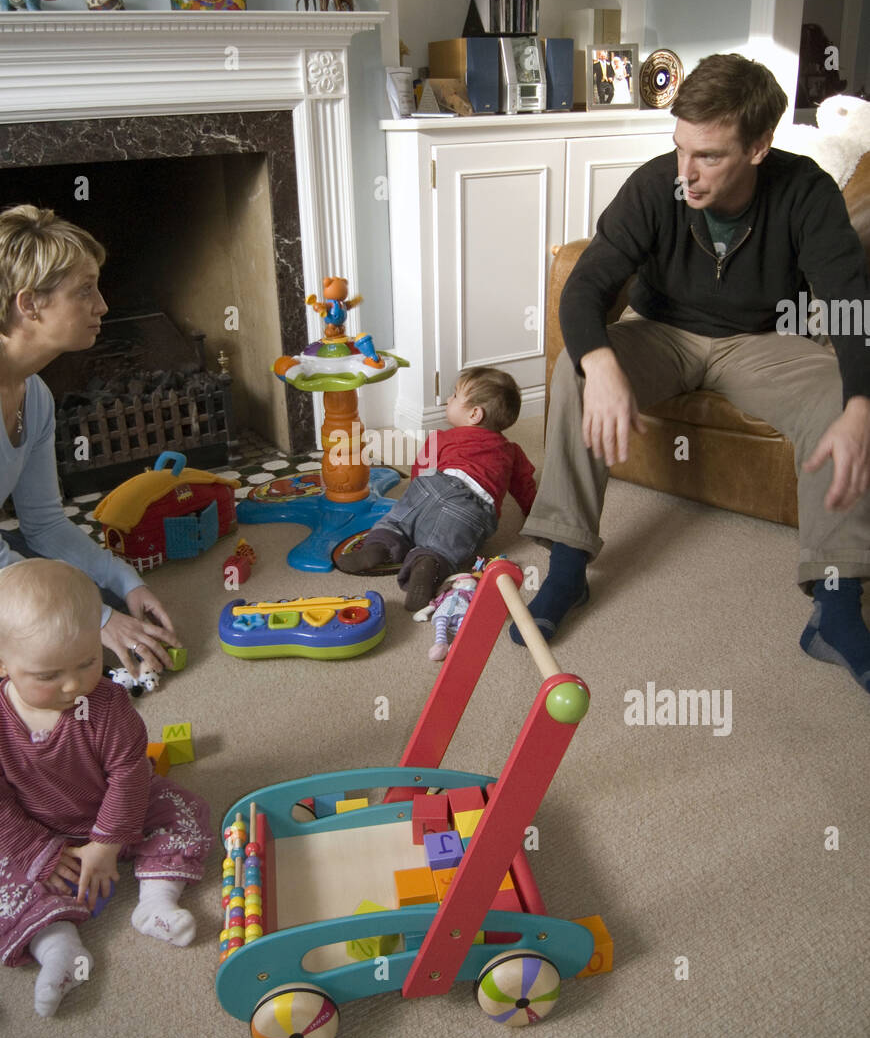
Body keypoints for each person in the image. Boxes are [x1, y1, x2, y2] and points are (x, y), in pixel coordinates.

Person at [515, 53, 870, 695]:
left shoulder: (807, 191)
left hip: (759, 340)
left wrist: (861, 406)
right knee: (574, 369)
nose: (687, 172)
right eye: (680, 148)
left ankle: (837, 607)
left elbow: (849, 301)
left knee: (836, 395)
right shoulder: (658, 186)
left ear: (759, 146)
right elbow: (588, 286)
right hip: (664, 334)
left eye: (708, 155)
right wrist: (602, 363)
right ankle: (568, 567)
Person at [0, 205, 178, 704]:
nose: (103, 305)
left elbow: (44, 524)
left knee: (104, 605)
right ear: (29, 304)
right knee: (66, 650)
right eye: (85, 289)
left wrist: (125, 584)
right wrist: (100, 624)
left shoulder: (36, 394)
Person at [0, 560, 212, 1016]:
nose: (73, 685)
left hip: (123, 810)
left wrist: (107, 841)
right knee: (9, 885)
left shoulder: (109, 704)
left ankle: (155, 901)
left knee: (182, 808)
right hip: (44, 831)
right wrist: (40, 851)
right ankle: (58, 948)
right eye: (49, 675)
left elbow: (130, 774)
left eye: (88, 661)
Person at [337, 367, 537, 611]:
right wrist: (532, 510)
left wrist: (416, 501)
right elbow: (524, 485)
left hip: (431, 485)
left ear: (475, 414)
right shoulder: (512, 451)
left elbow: (420, 471)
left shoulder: (442, 438)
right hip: (472, 508)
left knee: (397, 522)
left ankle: (378, 547)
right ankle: (427, 566)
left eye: (454, 396)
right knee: (443, 546)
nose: (448, 400)